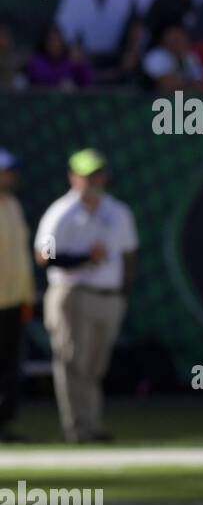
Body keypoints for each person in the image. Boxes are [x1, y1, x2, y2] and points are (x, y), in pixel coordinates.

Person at [33, 149, 138, 443]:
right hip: (73, 293)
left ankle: (92, 424)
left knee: (95, 365)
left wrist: (123, 293)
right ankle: (78, 428)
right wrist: (84, 258)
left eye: (98, 173)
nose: (94, 180)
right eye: (87, 174)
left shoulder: (118, 211)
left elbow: (129, 255)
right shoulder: (61, 212)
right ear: (73, 177)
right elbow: (44, 255)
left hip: (110, 296)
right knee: (72, 361)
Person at [0, 149, 34, 442]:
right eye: (5, 171)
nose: (10, 177)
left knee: (10, 366)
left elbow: (21, 258)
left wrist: (27, 298)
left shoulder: (13, 205)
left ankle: (4, 424)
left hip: (13, 302)